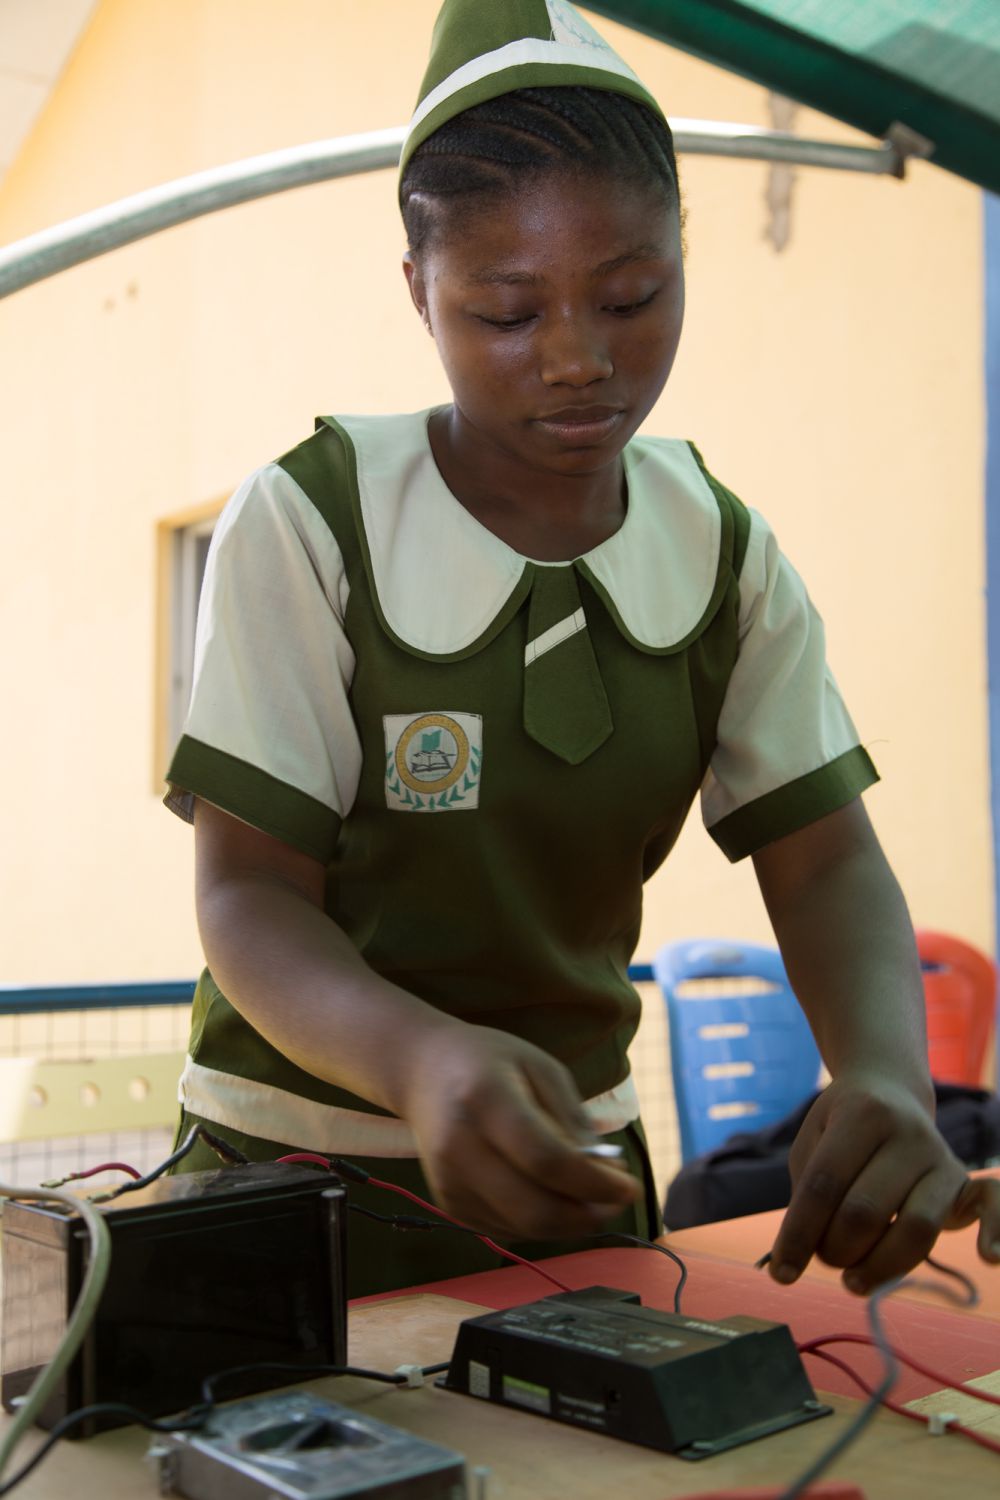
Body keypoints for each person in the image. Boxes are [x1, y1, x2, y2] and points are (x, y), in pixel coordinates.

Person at [165, 0, 1000, 1299]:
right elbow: (246, 897)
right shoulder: (315, 520)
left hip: (577, 1187)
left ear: (682, 259)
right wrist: (424, 1060)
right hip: (288, 1183)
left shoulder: (719, 552)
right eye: (506, 314)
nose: (577, 360)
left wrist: (885, 1074)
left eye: (631, 297)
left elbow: (826, 853)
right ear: (416, 293)